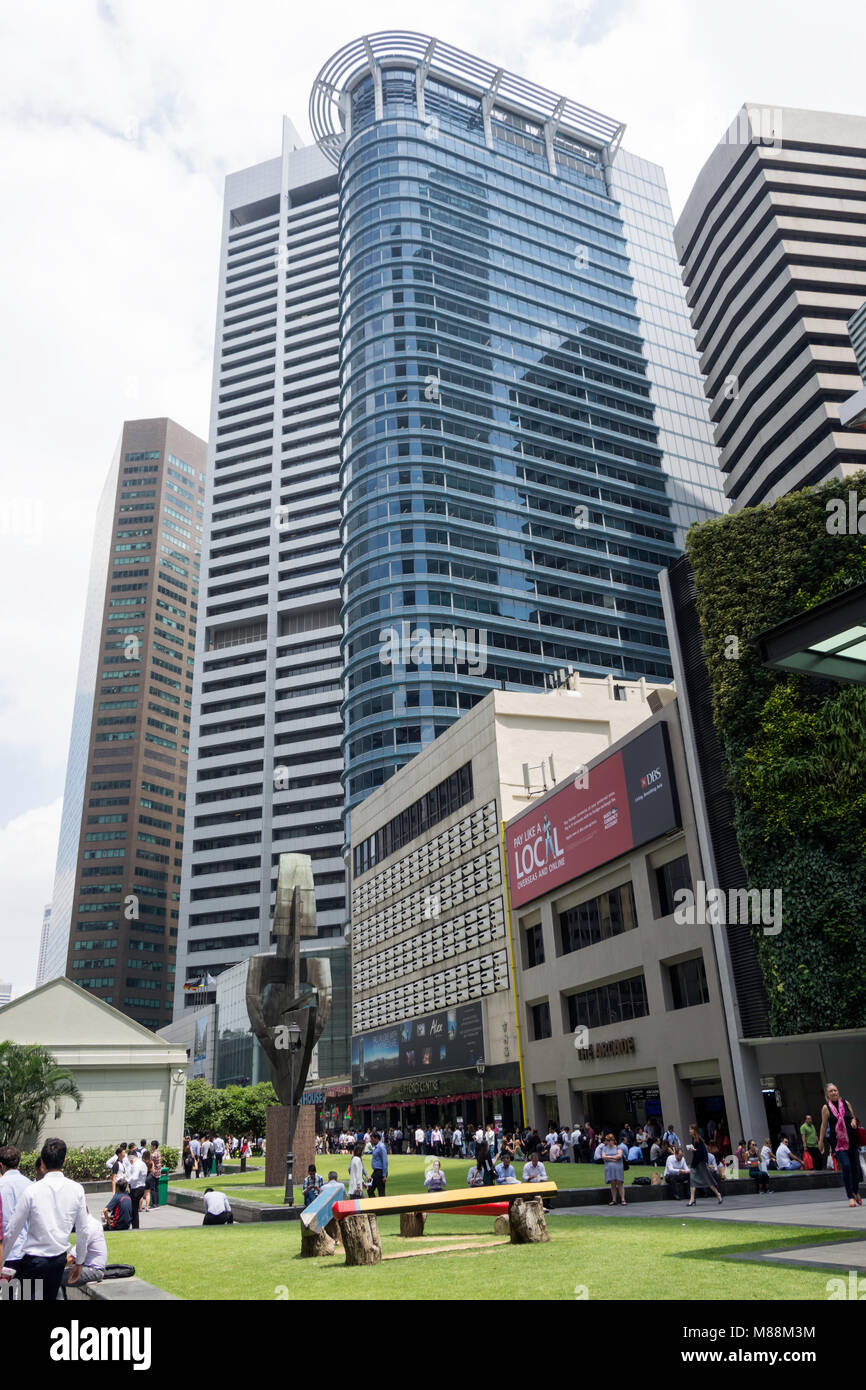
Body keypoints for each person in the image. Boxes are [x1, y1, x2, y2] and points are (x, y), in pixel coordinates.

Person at [0, 1138, 96, 1302]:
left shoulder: (32, 1190)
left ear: (42, 1162)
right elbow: (83, 1230)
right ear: (64, 1160)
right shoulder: (77, 1189)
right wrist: (79, 1262)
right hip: (58, 1260)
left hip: (34, 1261)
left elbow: (12, 1230)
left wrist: (2, 1261)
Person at [819, 1081, 862, 1207]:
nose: (834, 1092)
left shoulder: (846, 1103)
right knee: (847, 1166)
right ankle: (850, 1196)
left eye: (835, 1090)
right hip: (838, 1143)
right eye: (831, 1091)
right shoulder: (826, 1108)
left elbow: (853, 1117)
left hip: (852, 1141)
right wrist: (820, 1141)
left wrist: (854, 1122)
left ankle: (856, 1191)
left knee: (856, 1168)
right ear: (827, 1094)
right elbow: (824, 1125)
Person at [0, 1145, 32, 1271]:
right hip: (28, 1252)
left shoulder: (1, 1185)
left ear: (1, 1165)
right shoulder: (30, 1185)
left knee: (7, 1290)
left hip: (7, 1253)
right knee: (30, 1290)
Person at [64, 1211, 107, 1290]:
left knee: (51, 1276)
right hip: (87, 1267)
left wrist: (52, 1267)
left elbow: (72, 1257)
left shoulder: (89, 1227)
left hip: (94, 1270)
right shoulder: (89, 1224)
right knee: (49, 1276)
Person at [686, 1123, 723, 1207]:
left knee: (708, 1180)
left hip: (701, 1163)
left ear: (694, 1130)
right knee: (692, 1180)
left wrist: (694, 1150)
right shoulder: (693, 1139)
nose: (689, 1131)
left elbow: (702, 1152)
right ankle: (692, 1199)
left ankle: (718, 1194)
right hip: (695, 1163)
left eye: (690, 1129)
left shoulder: (698, 1140)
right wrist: (693, 1150)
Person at [600, 1133, 626, 1205]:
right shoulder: (604, 1148)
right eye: (607, 1140)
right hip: (609, 1169)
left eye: (609, 1140)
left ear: (613, 1140)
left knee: (619, 1183)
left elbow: (619, 1156)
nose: (608, 1142)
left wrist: (608, 1157)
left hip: (618, 1168)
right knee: (612, 1184)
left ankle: (623, 1199)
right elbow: (603, 1157)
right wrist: (613, 1158)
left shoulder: (618, 1147)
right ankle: (614, 1200)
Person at [126, 1146, 148, 1228]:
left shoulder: (136, 1164)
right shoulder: (142, 1163)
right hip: (141, 1187)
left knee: (134, 1209)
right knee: (134, 1209)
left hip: (136, 1188)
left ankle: (135, 1226)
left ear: (131, 1158)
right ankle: (135, 1226)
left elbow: (134, 1177)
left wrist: (126, 1181)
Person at [370, 1130, 388, 1197]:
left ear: (377, 1138)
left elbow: (385, 1161)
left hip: (380, 1171)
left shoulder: (381, 1147)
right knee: (370, 1189)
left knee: (381, 1191)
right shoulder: (376, 1147)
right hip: (376, 1171)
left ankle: (382, 1206)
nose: (371, 1141)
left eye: (372, 1139)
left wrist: (384, 1175)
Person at [150, 1141, 162, 1205]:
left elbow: (151, 1164)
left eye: (151, 1146)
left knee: (153, 1188)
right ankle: (157, 1203)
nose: (151, 1147)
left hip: (154, 1173)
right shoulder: (159, 1153)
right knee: (156, 1188)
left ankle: (154, 1203)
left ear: (154, 1146)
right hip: (159, 1172)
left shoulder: (153, 1154)